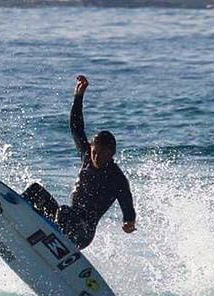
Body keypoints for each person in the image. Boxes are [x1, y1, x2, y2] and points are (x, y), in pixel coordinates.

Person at [22, 75, 136, 249]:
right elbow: (76, 127)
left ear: (111, 154)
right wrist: (78, 96)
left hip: (82, 233)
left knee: (65, 213)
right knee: (34, 190)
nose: (97, 157)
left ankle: (55, 242)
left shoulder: (117, 179)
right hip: (63, 221)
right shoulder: (86, 156)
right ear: (90, 148)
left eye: (103, 154)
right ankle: (12, 218)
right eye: (94, 152)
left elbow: (128, 206)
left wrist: (129, 222)